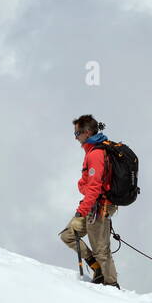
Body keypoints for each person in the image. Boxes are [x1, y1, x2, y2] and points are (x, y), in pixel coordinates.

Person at [59, 114, 120, 288]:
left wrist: (81, 212)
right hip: (93, 206)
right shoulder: (93, 152)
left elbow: (93, 188)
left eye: (77, 134)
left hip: (99, 208)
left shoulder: (96, 154)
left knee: (102, 250)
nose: (76, 138)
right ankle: (98, 269)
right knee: (69, 235)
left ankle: (112, 285)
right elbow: (88, 186)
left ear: (86, 133)